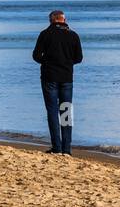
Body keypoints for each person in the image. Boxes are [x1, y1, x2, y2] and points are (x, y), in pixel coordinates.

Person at [32, 9, 83, 155]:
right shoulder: (73, 35)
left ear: (52, 20)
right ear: (64, 20)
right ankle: (66, 149)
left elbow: (36, 56)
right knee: (66, 111)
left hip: (49, 77)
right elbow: (79, 58)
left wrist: (47, 62)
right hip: (66, 77)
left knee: (52, 112)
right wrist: (66, 63)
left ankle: (57, 147)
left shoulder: (45, 34)